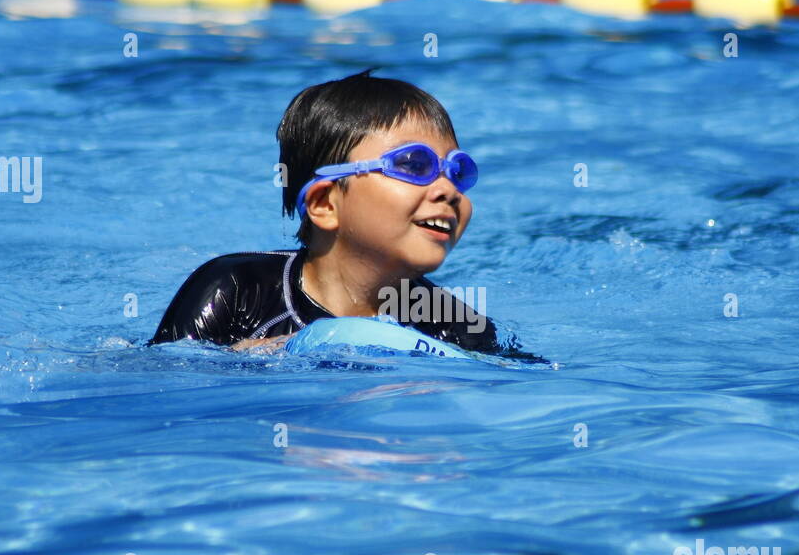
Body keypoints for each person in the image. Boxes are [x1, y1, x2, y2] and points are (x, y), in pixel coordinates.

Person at [148, 69, 543, 362]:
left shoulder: (452, 323)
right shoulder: (235, 290)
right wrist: (251, 362)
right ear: (325, 204)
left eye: (457, 171)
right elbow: (163, 390)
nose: (447, 190)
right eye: (413, 165)